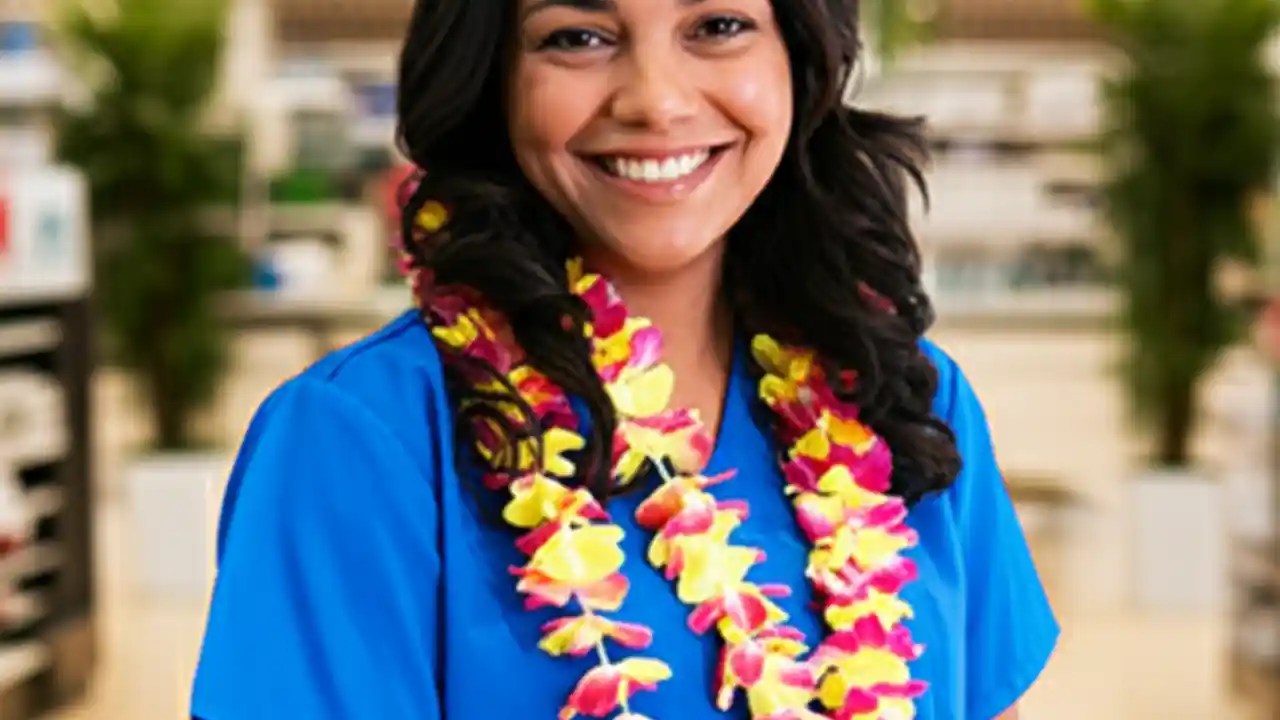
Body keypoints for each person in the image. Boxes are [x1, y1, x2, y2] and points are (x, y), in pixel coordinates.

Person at [190, 1, 1058, 718]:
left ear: (800, 56)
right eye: (578, 37)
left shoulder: (909, 401)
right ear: (493, 76)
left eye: (716, 25)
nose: (655, 100)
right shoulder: (362, 440)